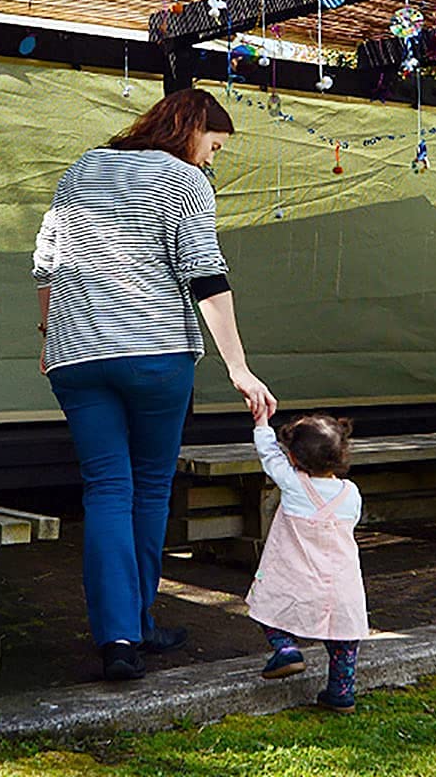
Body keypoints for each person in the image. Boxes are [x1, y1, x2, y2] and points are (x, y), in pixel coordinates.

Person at [32, 88, 277, 682]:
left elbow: (45, 261)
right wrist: (239, 369)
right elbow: (207, 278)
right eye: (213, 145)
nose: (212, 159)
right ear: (191, 129)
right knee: (147, 489)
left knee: (106, 491)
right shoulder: (184, 180)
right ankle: (139, 624)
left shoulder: (83, 167)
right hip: (155, 353)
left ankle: (118, 638)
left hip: (77, 355)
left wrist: (47, 336)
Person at [246, 409, 369, 713]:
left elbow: (268, 456)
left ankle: (286, 649)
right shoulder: (351, 493)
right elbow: (350, 522)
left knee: (267, 610)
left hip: (295, 578)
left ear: (295, 458)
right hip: (342, 584)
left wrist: (261, 422)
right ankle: (341, 692)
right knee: (344, 640)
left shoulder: (293, 484)